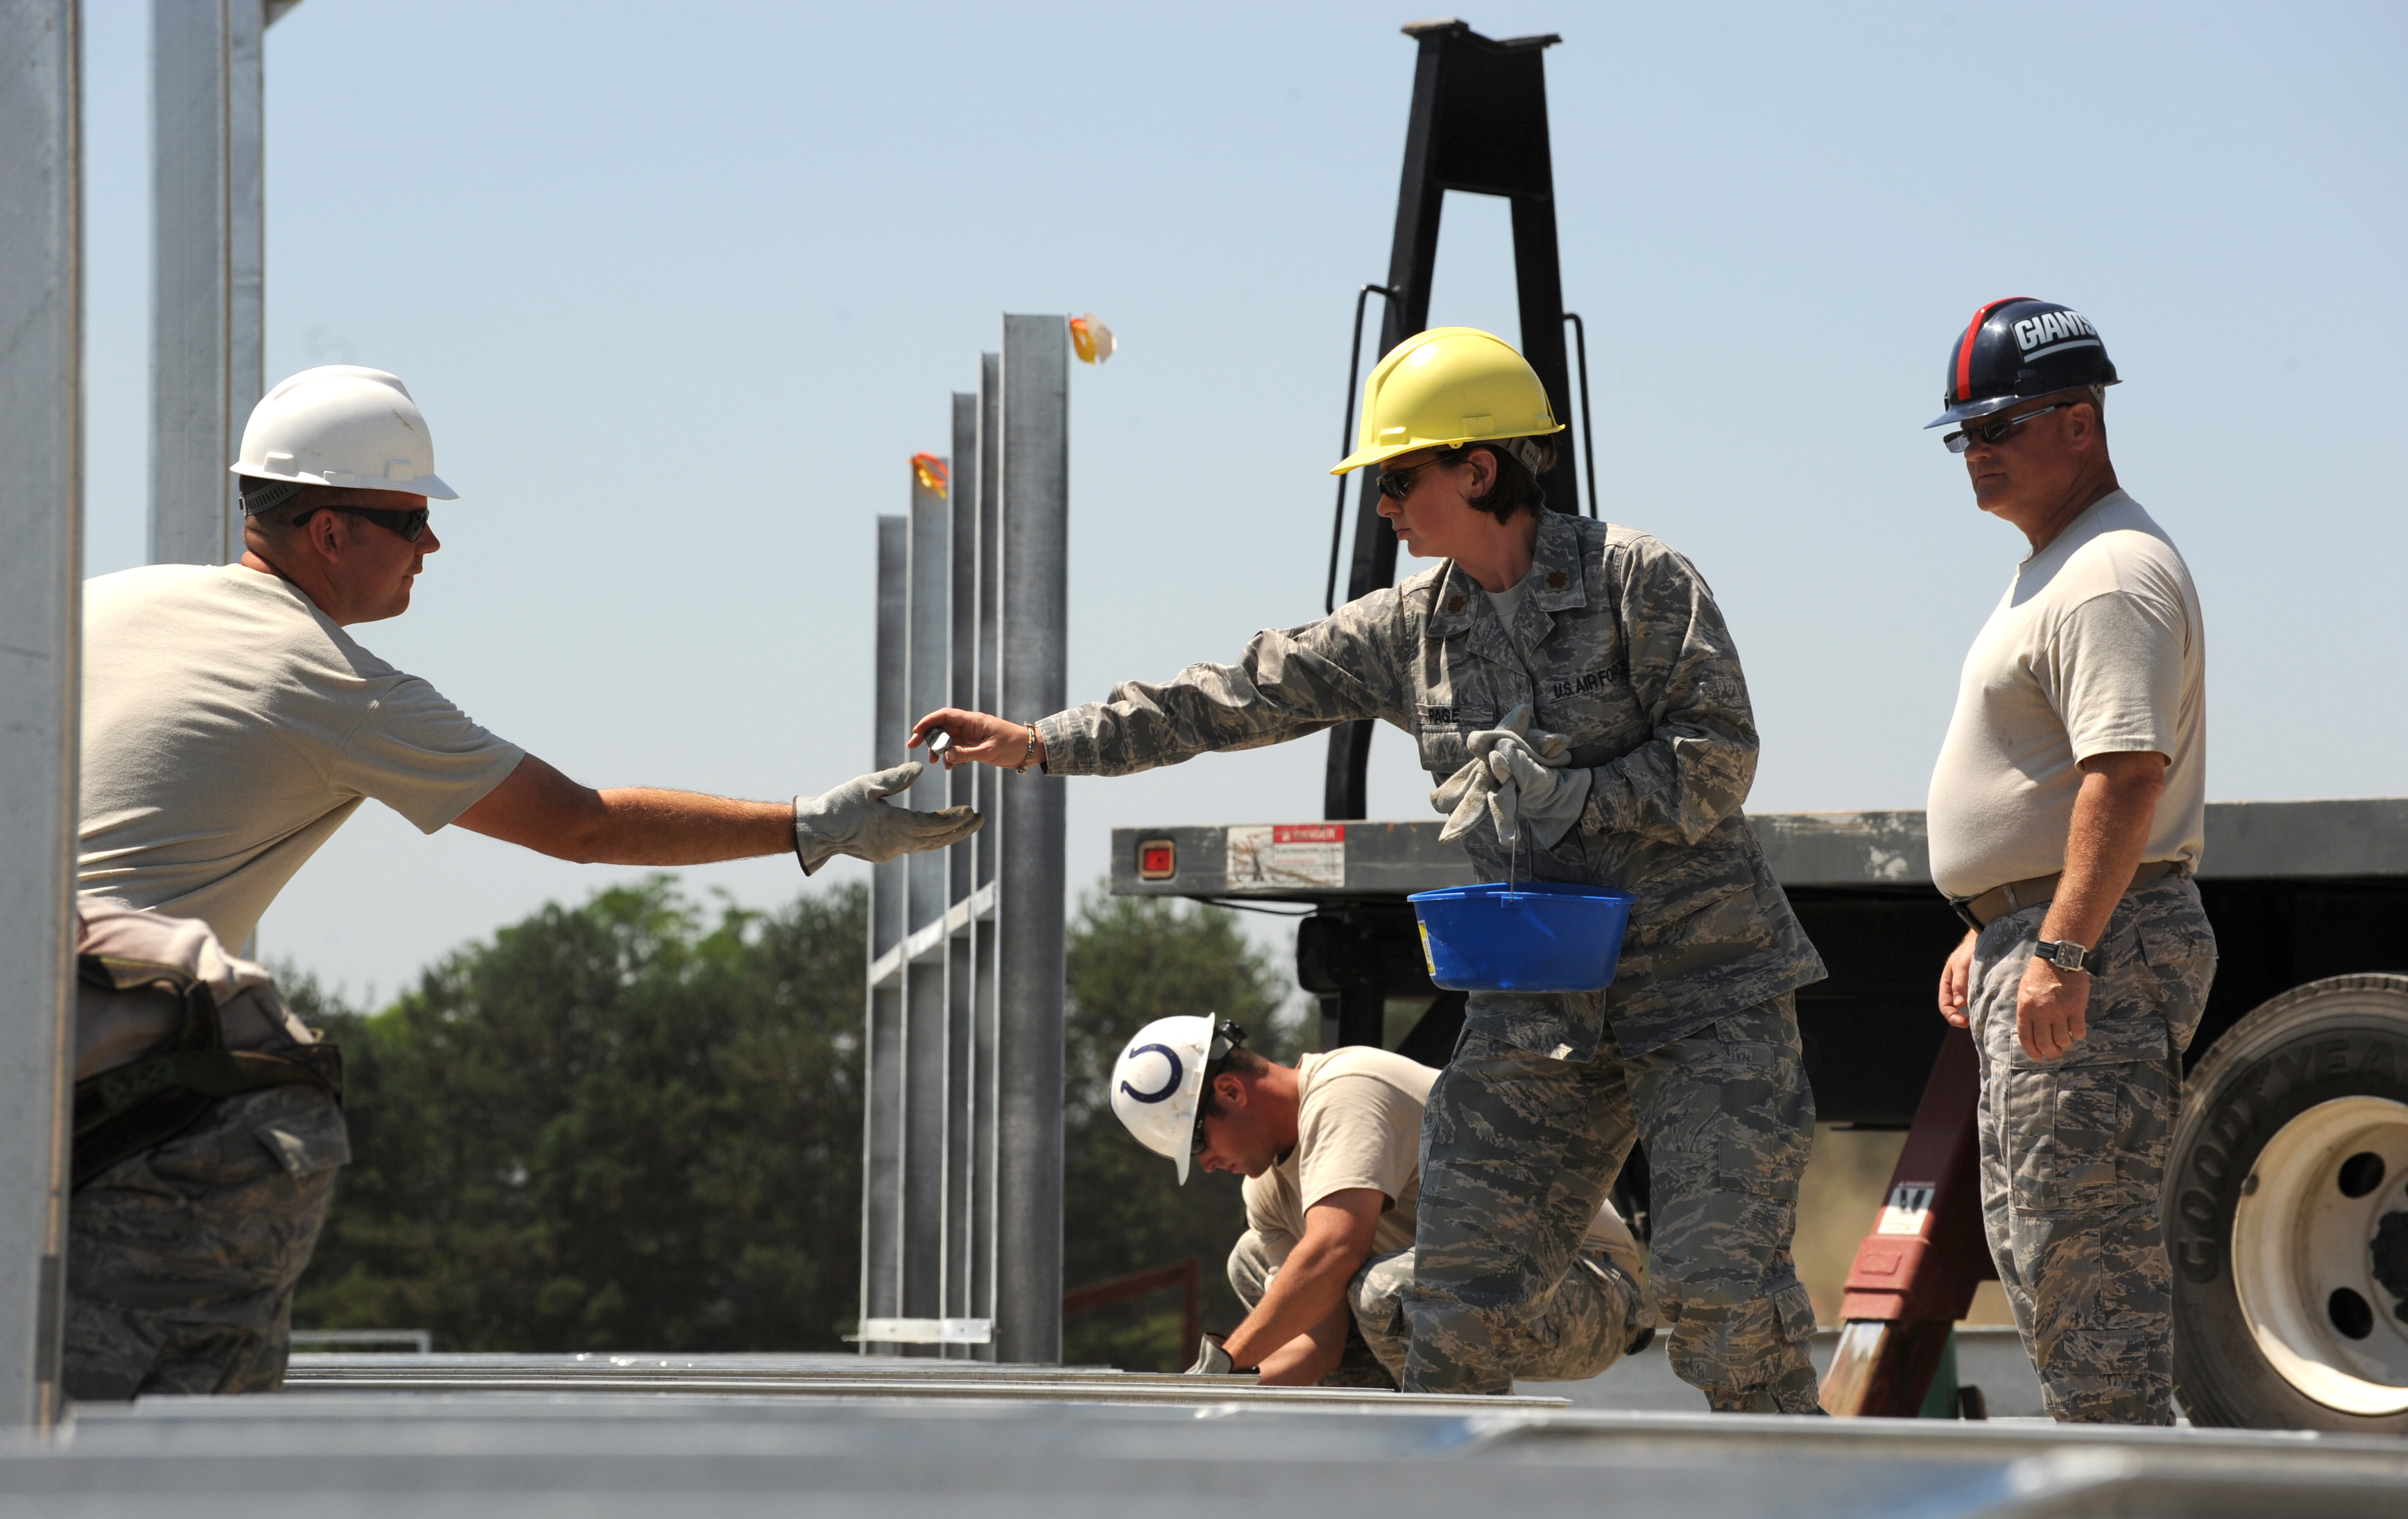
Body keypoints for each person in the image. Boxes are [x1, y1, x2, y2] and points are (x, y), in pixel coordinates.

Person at [916, 328, 1828, 1410]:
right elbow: (1240, 693)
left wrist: (1581, 793)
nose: (1384, 510)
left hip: (1704, 993)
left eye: (1399, 481)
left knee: (1722, 1294)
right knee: (1442, 1297)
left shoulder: (1638, 579)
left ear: (1479, 468)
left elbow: (1718, 757)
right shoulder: (1414, 631)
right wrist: (1040, 743)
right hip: (1542, 1012)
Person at [68, 364, 979, 1400]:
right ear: (330, 532)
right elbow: (581, 825)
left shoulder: (103, 603)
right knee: (262, 1114)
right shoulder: (324, 679)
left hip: (55, 1054)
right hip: (98, 1058)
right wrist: (810, 827)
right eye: (410, 519)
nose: (432, 546)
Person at [1924, 300, 2214, 1426]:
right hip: (2052, 932)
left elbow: (2124, 773)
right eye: (1963, 434)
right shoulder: (2058, 566)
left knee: (2083, 1267)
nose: (1977, 452)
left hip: (2099, 937)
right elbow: (2052, 781)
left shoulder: (2104, 573)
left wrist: (2056, 942)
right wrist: (1989, 921)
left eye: (1999, 423)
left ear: (2082, 424)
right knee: (2045, 1252)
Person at [1108, 1015, 1649, 1388]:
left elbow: (1337, 1248)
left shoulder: (1348, 1087)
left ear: (1230, 1092)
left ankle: (1465, 1477)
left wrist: (1223, 1364)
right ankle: (1383, 1471)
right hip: (1486, 1300)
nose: (1204, 1164)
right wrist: (1209, 1398)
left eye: (1198, 1142)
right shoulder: (1267, 1193)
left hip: (1587, 1286)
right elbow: (1319, 1348)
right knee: (1254, 1259)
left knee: (1385, 1291)